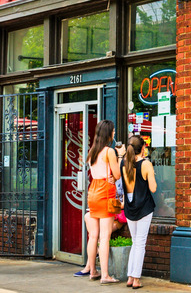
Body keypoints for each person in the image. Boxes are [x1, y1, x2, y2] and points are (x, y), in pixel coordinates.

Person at [74, 120, 121, 284]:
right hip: (105, 192)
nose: (114, 134)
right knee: (105, 237)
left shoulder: (92, 151)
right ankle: (105, 275)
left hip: (93, 191)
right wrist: (120, 158)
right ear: (108, 133)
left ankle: (92, 270)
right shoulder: (110, 151)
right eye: (113, 131)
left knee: (93, 236)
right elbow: (117, 175)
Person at [121, 135, 157, 289]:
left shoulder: (123, 162)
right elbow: (153, 188)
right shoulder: (146, 164)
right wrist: (152, 175)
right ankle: (136, 279)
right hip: (143, 207)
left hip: (129, 206)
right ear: (142, 148)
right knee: (140, 243)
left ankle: (130, 276)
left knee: (135, 241)